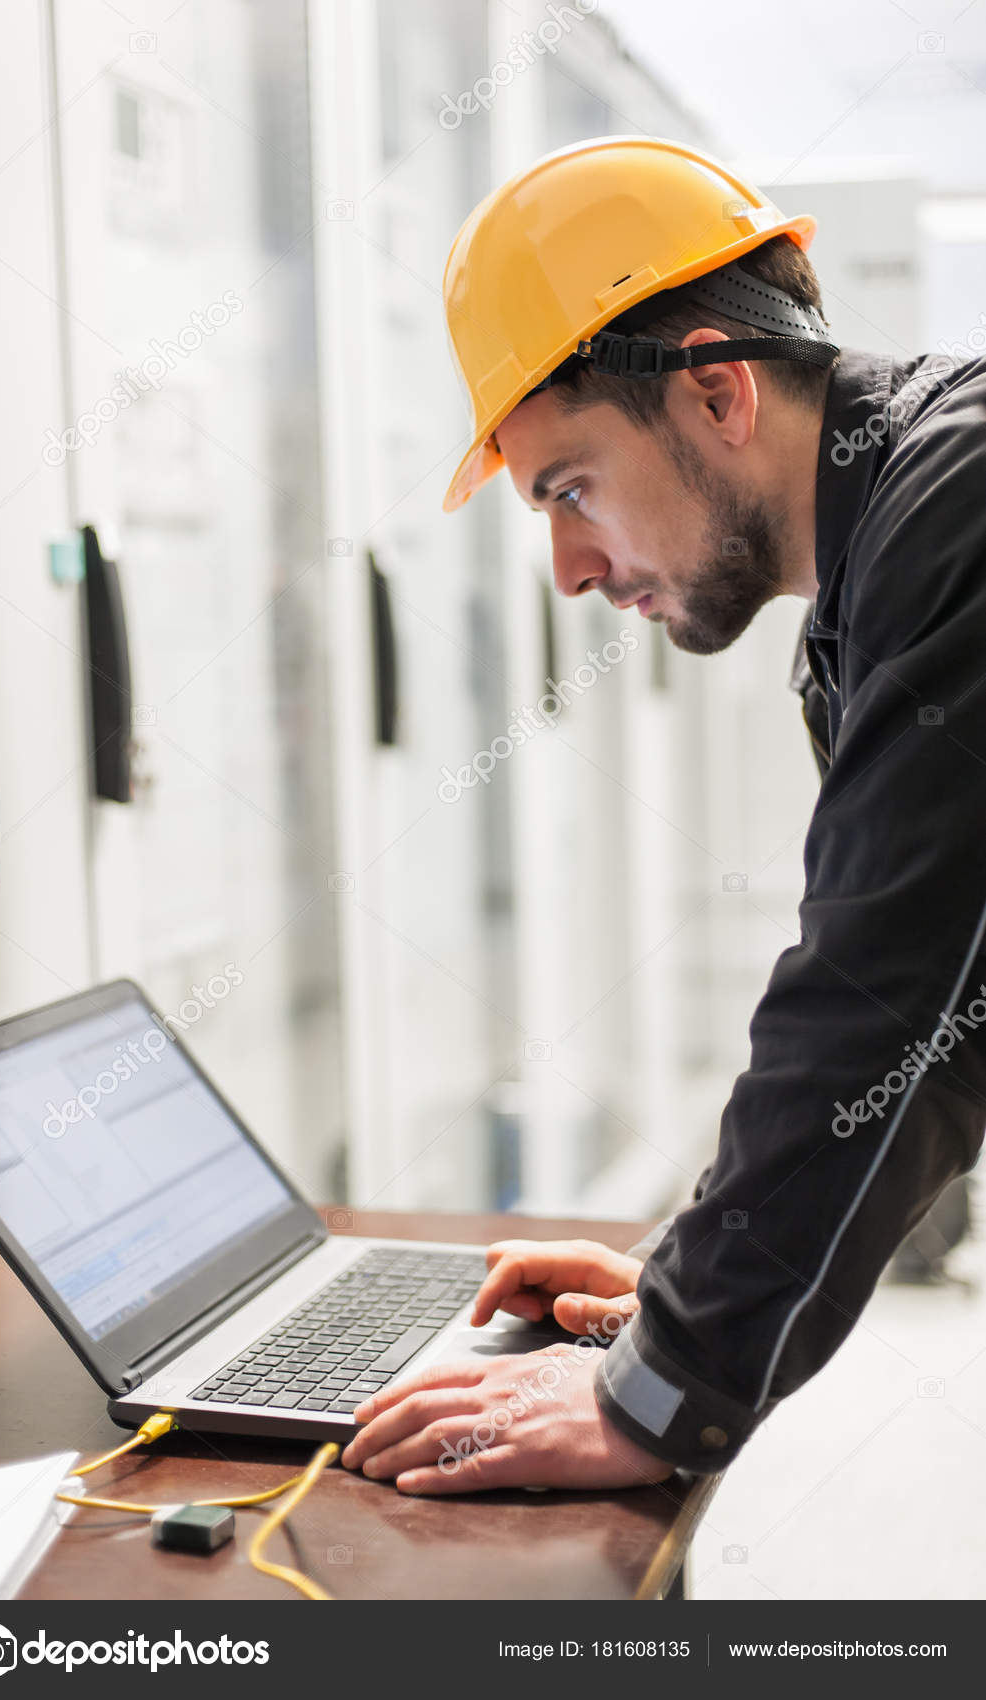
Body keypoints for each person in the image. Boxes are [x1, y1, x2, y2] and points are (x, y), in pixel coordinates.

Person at [341, 137, 986, 1495]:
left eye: (569, 488)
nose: (570, 568)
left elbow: (887, 1005)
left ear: (713, 391)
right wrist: (681, 1284)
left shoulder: (962, 516)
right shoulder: (877, 579)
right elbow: (934, 1034)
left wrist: (659, 1394)